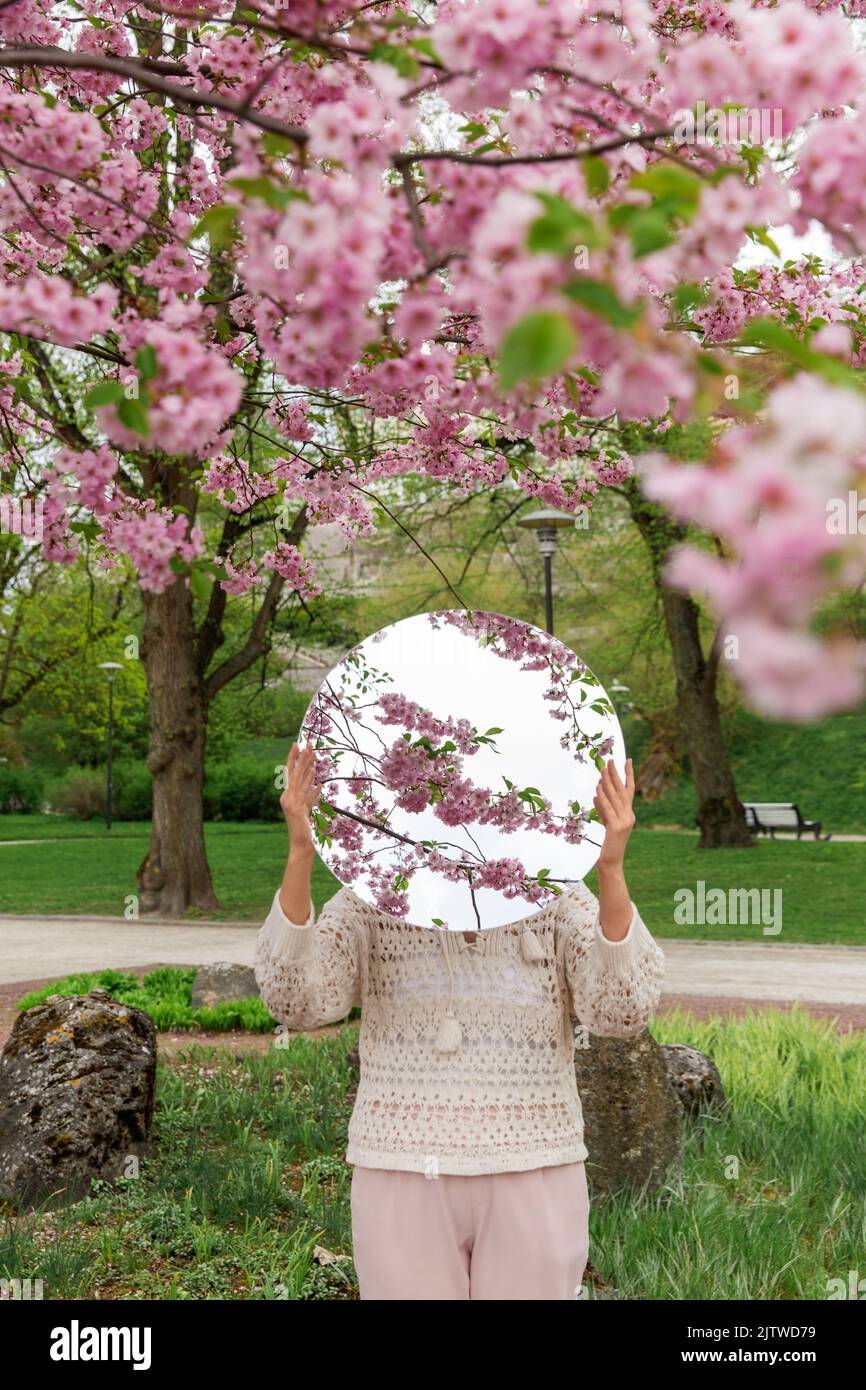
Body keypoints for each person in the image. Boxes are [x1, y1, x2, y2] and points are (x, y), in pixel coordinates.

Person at [254, 741, 665, 1301]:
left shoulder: (557, 898)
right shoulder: (373, 899)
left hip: (534, 1164)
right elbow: (295, 1001)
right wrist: (301, 852)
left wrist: (610, 867)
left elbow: (622, 1010)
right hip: (400, 1165)